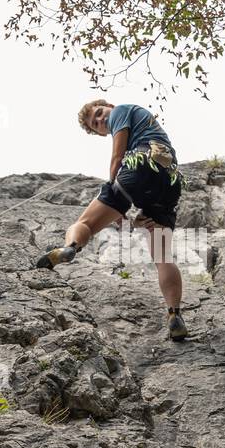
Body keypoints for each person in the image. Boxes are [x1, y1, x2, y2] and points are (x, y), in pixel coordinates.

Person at [34, 99, 189, 341]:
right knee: (162, 257)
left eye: (99, 113)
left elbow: (118, 156)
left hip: (138, 168)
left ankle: (70, 247)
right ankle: (174, 315)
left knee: (85, 223)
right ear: (99, 132)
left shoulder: (121, 110)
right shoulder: (142, 123)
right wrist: (135, 213)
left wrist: (115, 193)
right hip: (169, 183)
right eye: (95, 124)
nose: (100, 120)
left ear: (108, 105)